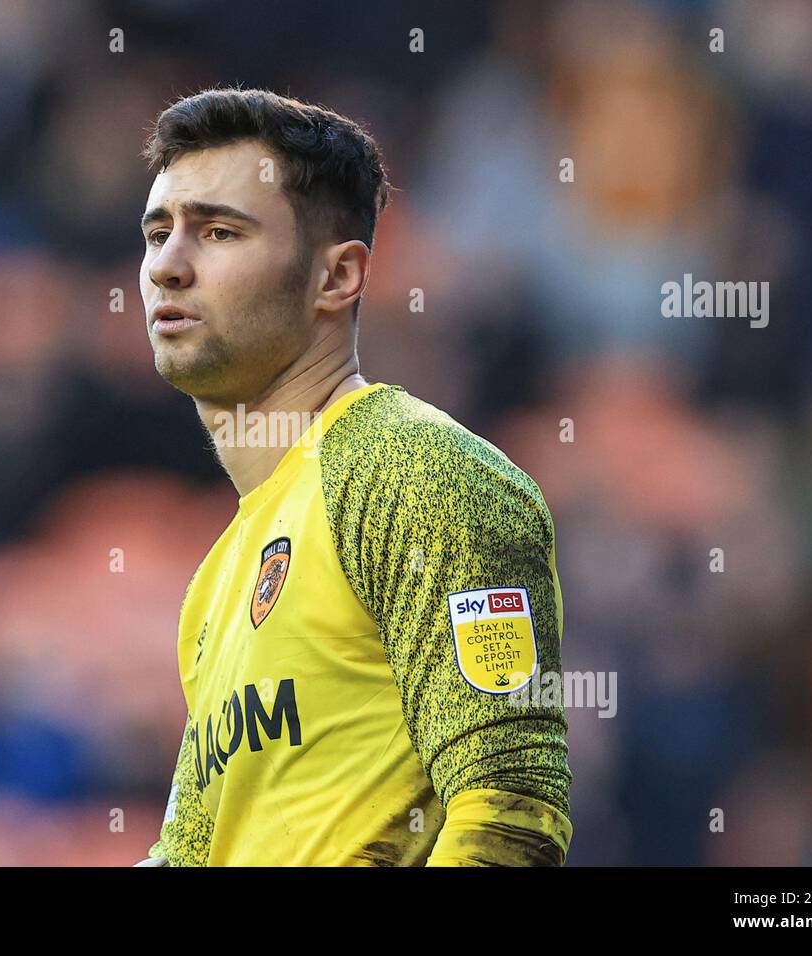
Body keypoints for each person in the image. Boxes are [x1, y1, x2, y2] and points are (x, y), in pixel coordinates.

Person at [133, 88, 572, 866]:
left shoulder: (415, 472)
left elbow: (510, 811)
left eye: (219, 231)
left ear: (336, 277)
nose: (167, 266)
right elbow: (190, 853)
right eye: (158, 232)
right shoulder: (217, 581)